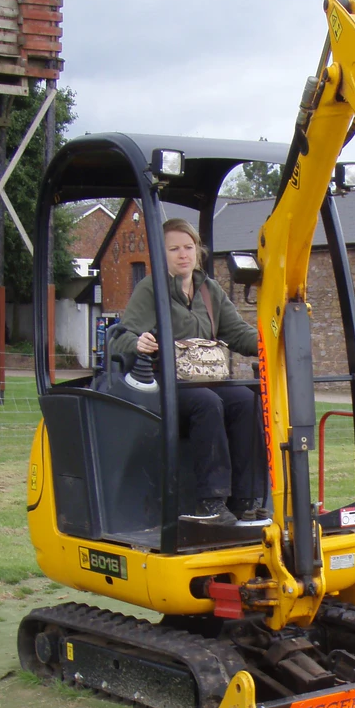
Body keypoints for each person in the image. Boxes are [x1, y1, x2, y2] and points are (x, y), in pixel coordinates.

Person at [112, 218, 266, 527]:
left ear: (198, 251)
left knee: (247, 401)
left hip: (204, 380)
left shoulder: (208, 290)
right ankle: (211, 502)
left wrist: (271, 342)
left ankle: (247, 500)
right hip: (165, 387)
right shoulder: (150, 290)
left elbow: (237, 333)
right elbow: (121, 338)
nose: (183, 254)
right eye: (174, 249)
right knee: (207, 403)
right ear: (161, 254)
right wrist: (138, 342)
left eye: (188, 247)